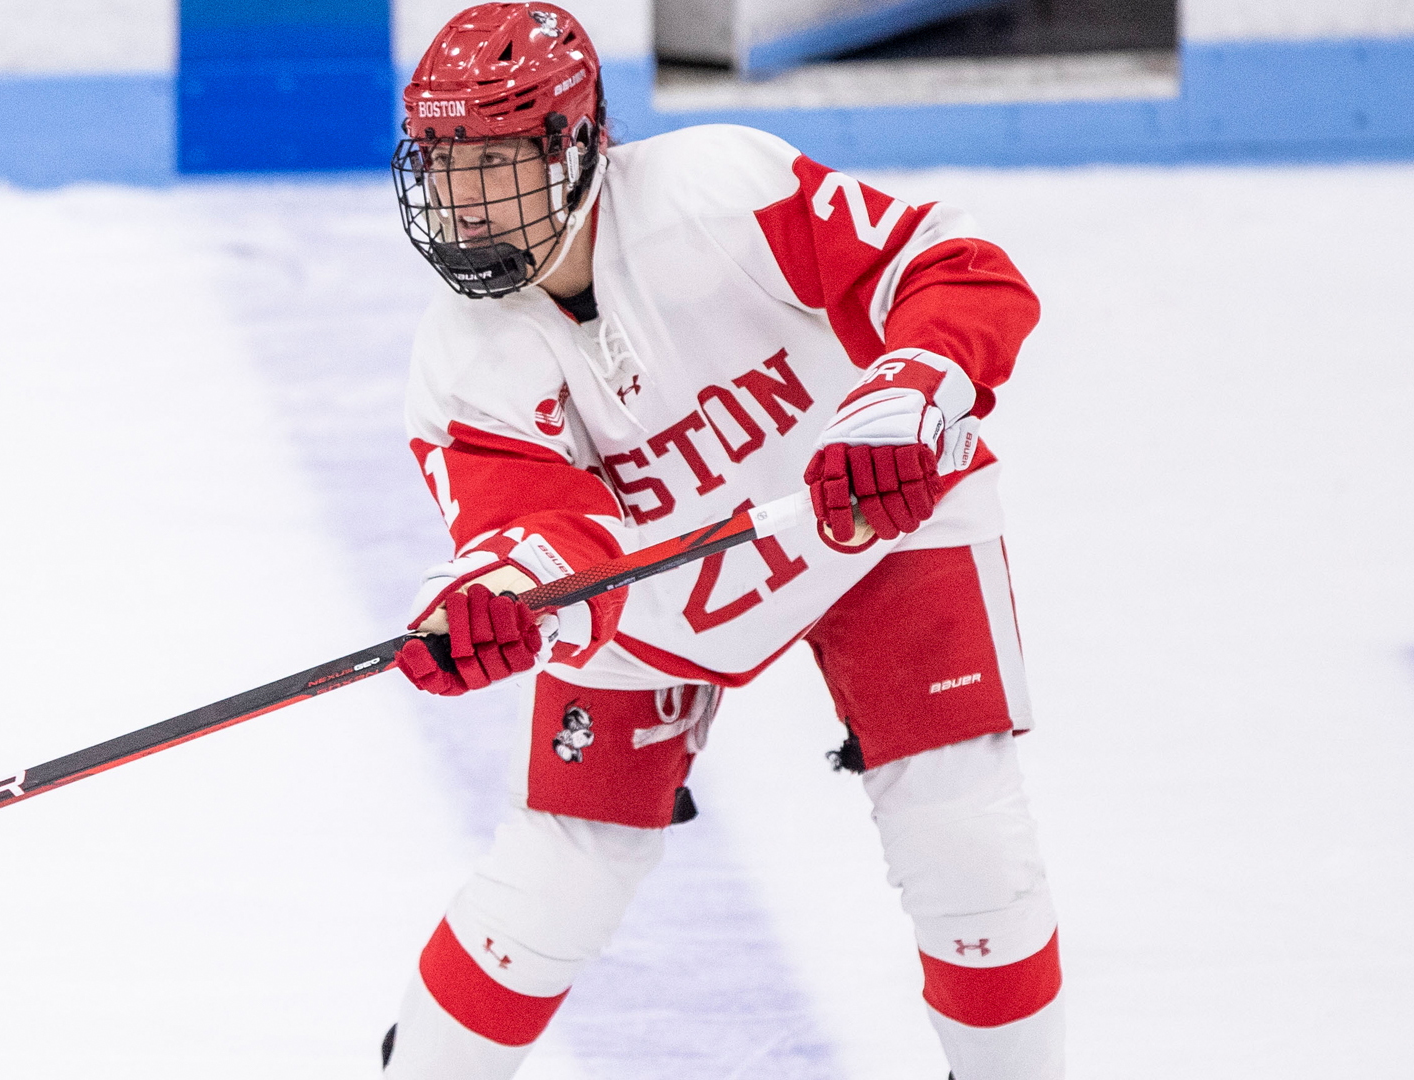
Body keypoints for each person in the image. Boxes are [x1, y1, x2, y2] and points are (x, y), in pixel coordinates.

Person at [383, 5, 1061, 1078]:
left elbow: (960, 270)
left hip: (870, 521)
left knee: (960, 830)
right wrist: (505, 596)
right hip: (663, 600)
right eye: (443, 166)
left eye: (497, 163)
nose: (464, 203)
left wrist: (904, 392)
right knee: (565, 869)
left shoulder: (720, 193)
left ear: (578, 148)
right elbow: (544, 533)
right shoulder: (460, 362)